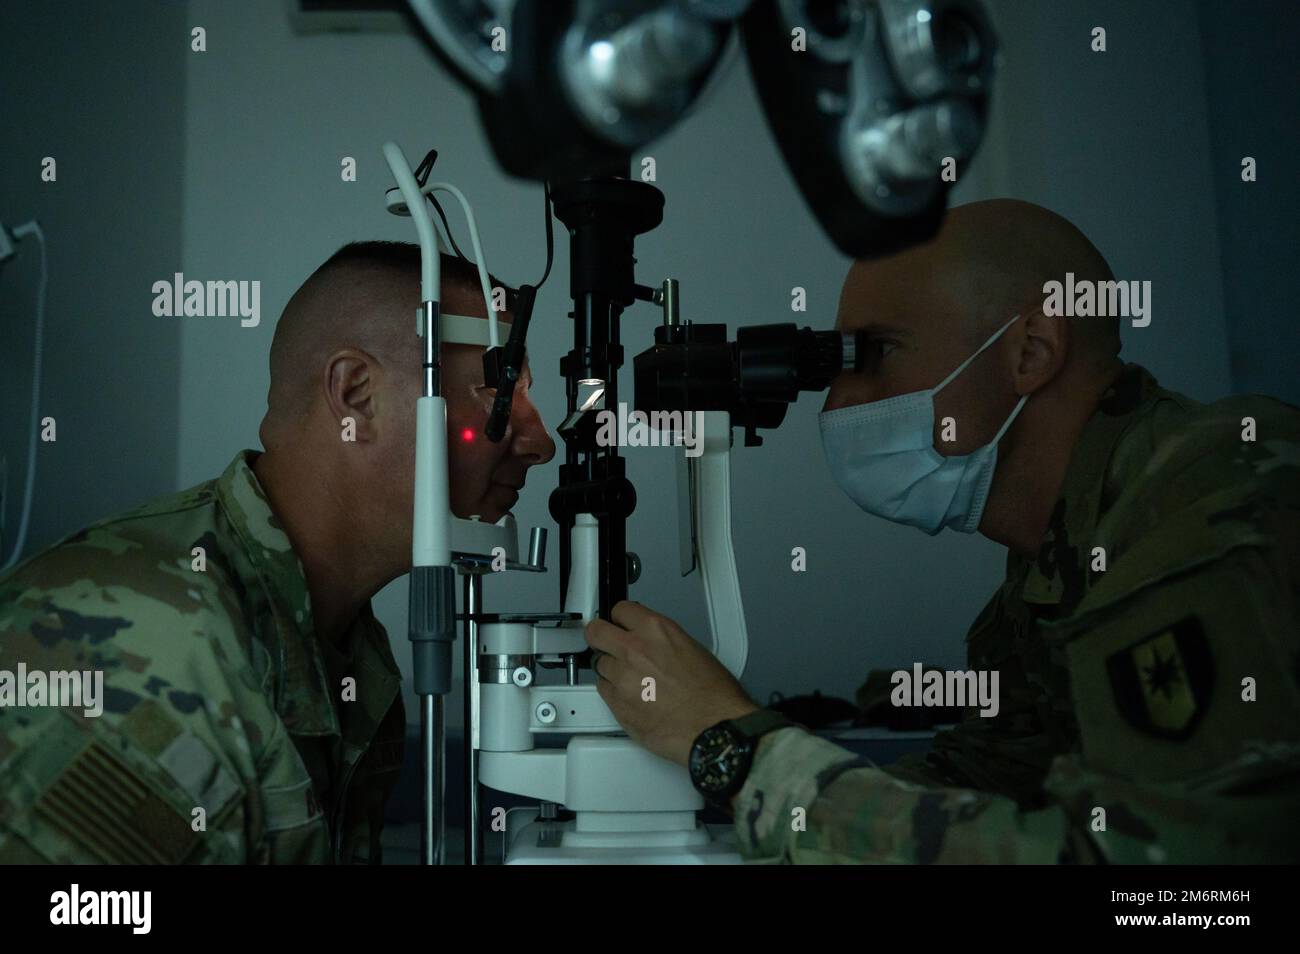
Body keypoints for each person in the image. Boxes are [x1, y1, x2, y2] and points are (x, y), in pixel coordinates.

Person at [585, 199, 1300, 863]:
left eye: (878, 353)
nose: (837, 403)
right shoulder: (1059, 556)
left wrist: (737, 753)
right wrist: (760, 788)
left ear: (1030, 350)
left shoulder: (1210, 501)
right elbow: (998, 781)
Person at [0, 241, 555, 863]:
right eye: (498, 391)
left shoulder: (351, 654)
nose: (541, 441)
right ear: (355, 396)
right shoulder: (148, 644)